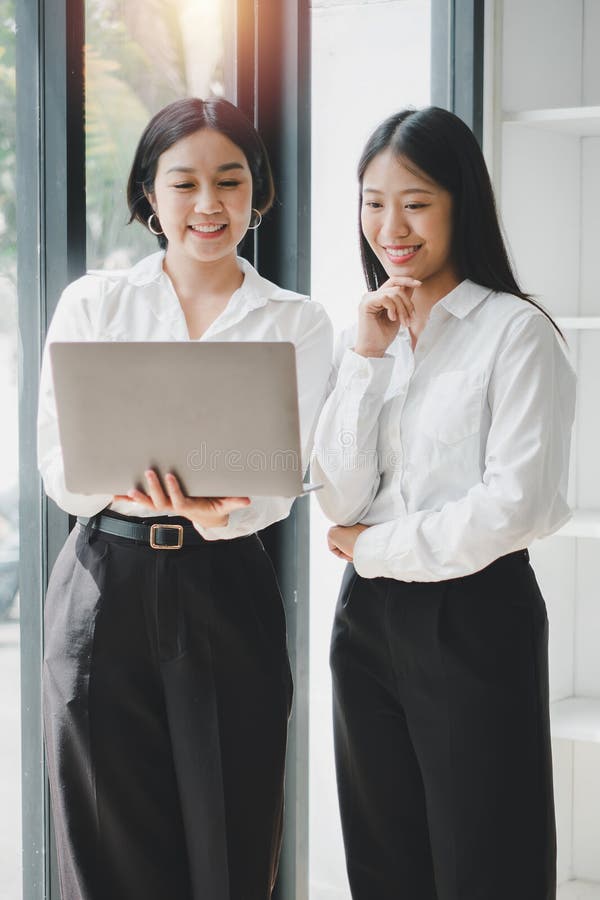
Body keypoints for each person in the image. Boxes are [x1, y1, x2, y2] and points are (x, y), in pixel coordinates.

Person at [38, 97, 332, 900]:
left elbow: (286, 479)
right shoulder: (94, 305)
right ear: (149, 195)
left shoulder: (297, 321)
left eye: (231, 181)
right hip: (106, 585)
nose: (210, 205)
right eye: (185, 182)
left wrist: (219, 513)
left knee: (232, 844)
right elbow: (59, 467)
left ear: (258, 193)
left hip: (226, 584)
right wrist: (129, 490)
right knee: (108, 845)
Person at [312, 106, 575, 900]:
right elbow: (338, 493)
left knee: (486, 861)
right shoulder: (372, 334)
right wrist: (365, 357)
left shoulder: (516, 333)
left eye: (416, 201)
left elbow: (516, 506)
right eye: (372, 200)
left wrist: (373, 546)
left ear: (462, 201)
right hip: (367, 623)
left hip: (474, 618)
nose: (389, 225)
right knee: (385, 860)